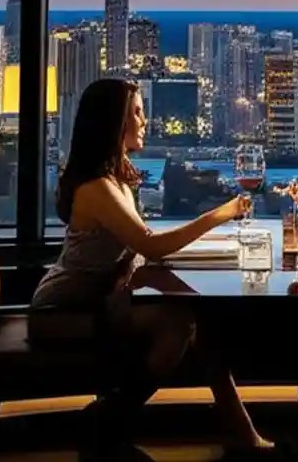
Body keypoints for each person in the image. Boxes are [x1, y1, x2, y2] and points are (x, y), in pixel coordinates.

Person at [31, 78, 273, 456]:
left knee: (204, 327)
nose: (145, 122)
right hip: (66, 309)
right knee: (181, 324)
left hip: (101, 299)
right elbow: (149, 244)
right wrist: (218, 216)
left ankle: (247, 437)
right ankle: (109, 415)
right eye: (138, 113)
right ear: (114, 123)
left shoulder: (116, 180)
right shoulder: (98, 189)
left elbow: (141, 244)